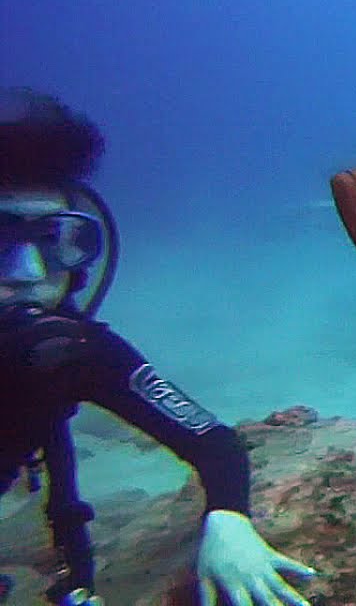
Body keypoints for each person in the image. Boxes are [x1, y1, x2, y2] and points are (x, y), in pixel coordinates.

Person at [0, 89, 315, 605]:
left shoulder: (79, 353)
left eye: (56, 240)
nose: (29, 275)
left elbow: (213, 442)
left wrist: (229, 522)